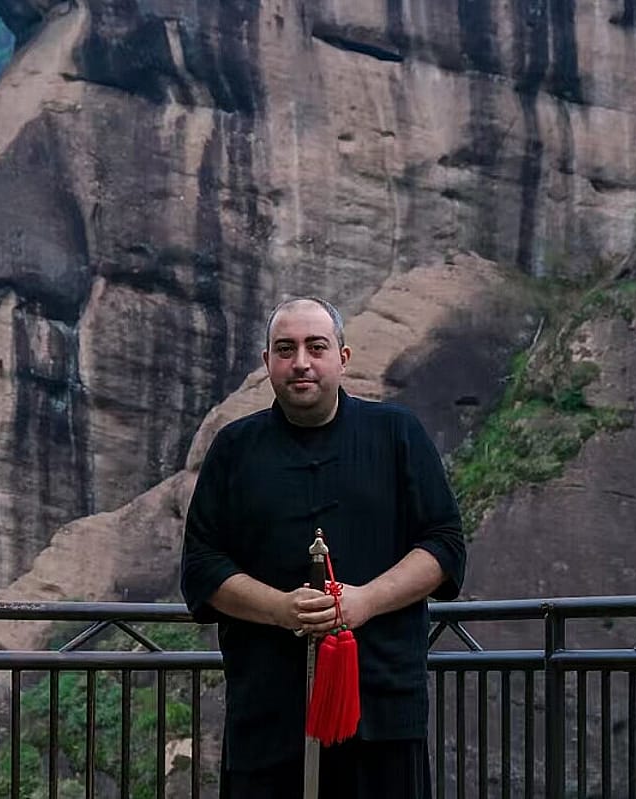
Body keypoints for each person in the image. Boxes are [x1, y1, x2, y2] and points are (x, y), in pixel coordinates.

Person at [180, 296, 466, 799]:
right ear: (267, 363)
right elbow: (202, 565)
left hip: (381, 707)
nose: (301, 363)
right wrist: (280, 608)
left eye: (316, 346)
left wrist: (365, 601)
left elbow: (443, 547)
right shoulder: (233, 448)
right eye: (285, 350)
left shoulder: (399, 434)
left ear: (343, 357)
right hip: (268, 709)